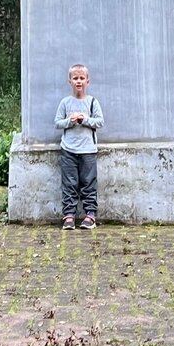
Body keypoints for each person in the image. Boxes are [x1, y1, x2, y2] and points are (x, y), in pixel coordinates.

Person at [54, 63, 104, 229]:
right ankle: (69, 216)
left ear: (87, 81)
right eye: (75, 78)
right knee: (69, 184)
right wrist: (70, 121)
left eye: (82, 78)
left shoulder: (92, 102)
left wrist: (85, 120)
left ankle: (90, 215)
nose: (79, 81)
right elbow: (57, 123)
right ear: (70, 81)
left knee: (88, 183)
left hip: (88, 150)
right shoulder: (65, 103)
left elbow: (100, 122)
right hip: (68, 150)